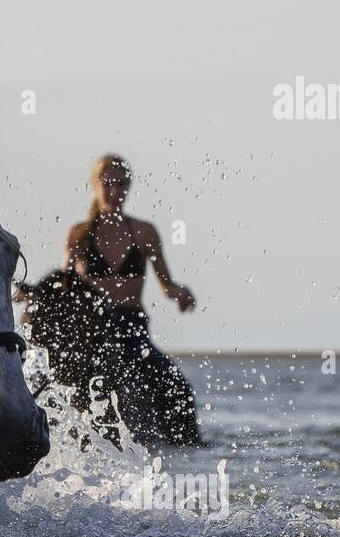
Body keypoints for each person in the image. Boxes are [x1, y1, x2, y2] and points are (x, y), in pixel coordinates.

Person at [17, 154, 203, 445]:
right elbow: (65, 286)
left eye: (122, 184)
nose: (115, 191)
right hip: (94, 329)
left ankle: (188, 448)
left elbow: (166, 285)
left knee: (175, 386)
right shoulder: (78, 234)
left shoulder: (144, 232)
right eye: (109, 184)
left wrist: (181, 294)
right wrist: (34, 293)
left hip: (132, 329)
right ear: (95, 185)